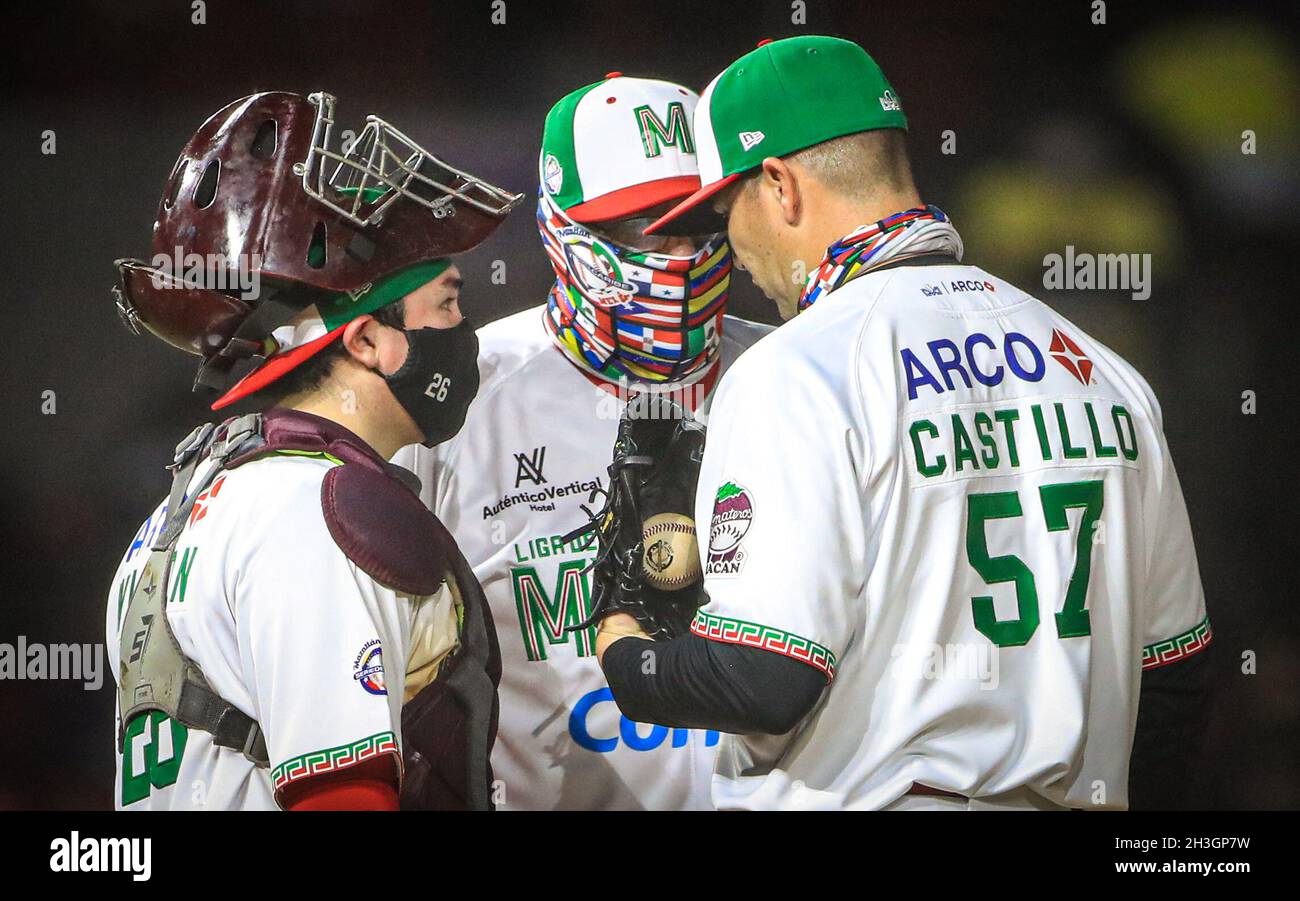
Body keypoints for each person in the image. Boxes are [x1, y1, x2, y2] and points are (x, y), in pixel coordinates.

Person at [596, 36, 1213, 810]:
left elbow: (762, 681)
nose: (731, 247)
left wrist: (622, 643)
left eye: (725, 210)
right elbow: (1175, 680)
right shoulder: (1103, 370)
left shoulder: (800, 370)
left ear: (780, 187)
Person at [105, 90, 521, 810]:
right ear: (365, 339)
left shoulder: (188, 501)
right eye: (447, 305)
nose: (464, 329)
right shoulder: (319, 511)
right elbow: (340, 799)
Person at [393, 73, 770, 810]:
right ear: (563, 227)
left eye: (696, 220)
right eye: (643, 227)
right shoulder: (462, 400)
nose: (679, 252)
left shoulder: (785, 371)